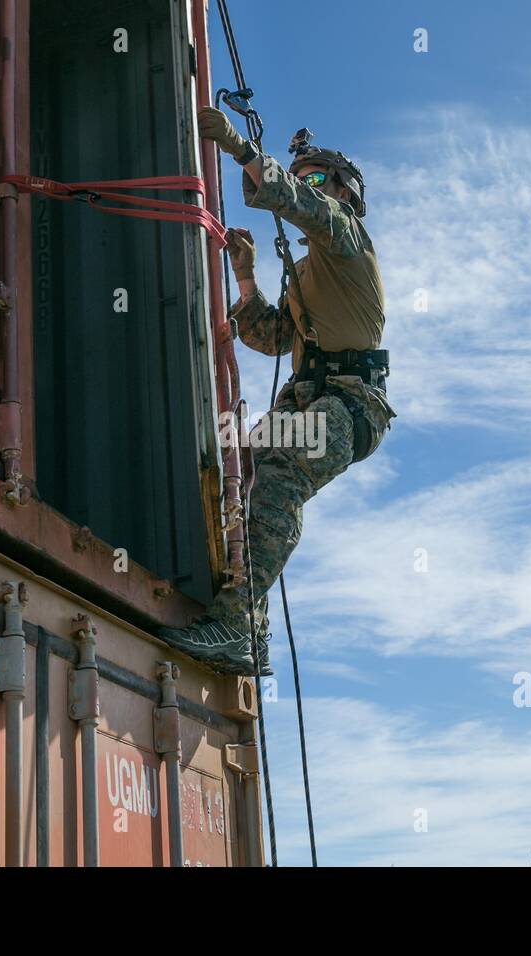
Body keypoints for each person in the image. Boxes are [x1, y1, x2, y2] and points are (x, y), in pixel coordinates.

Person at [157, 105, 395, 675]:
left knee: (279, 480)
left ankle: (236, 626)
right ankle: (249, 628)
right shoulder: (306, 274)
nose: (309, 185)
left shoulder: (347, 239)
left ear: (345, 192)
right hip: (310, 401)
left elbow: (305, 204)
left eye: (319, 177)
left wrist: (242, 148)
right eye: (304, 176)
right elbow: (273, 337)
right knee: (239, 479)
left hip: (348, 405)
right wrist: (245, 277)